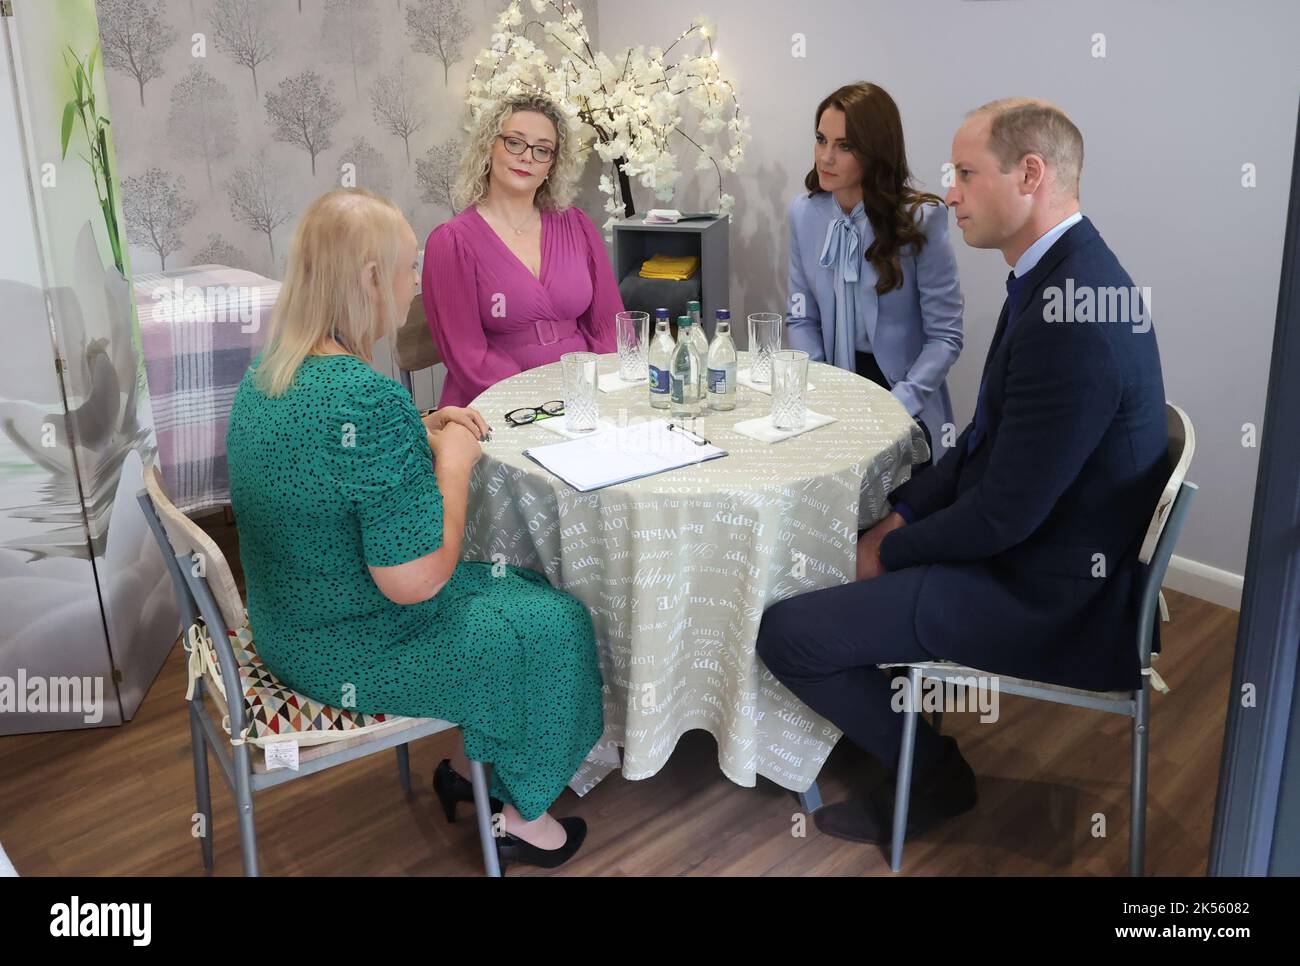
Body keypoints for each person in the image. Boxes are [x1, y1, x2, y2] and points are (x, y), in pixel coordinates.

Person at [758, 98, 1169, 847]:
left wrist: (890, 548)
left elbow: (1003, 516)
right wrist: (904, 515)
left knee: (785, 633)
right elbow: (983, 444)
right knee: (848, 533)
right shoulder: (1063, 275)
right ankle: (887, 718)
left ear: (1031, 174)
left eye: (967, 174)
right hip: (1038, 553)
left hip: (1047, 595)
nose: (949, 193)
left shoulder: (1073, 319)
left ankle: (936, 773)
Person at [227, 188, 603, 870]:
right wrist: (453, 464)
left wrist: (415, 436)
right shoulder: (365, 398)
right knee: (558, 621)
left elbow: (324, 474)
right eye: (408, 271)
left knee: (514, 584)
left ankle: (470, 767)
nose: (415, 288)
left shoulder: (269, 370)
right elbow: (417, 579)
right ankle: (523, 818)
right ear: (370, 277)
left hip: (284, 620)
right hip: (348, 645)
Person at [787, 82, 963, 461]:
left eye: (844, 146)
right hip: (830, 386)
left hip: (901, 394)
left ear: (874, 151)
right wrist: (821, 389)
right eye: (821, 140)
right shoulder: (803, 214)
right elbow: (800, 317)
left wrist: (895, 406)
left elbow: (945, 336)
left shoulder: (921, 219)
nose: (826, 157)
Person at [423, 93, 621, 408]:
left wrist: (604, 383)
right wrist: (540, 397)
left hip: (582, 387)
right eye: (515, 142)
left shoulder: (577, 225)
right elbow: (467, 355)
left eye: (542, 150)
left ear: (552, 165)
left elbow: (608, 324)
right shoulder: (451, 242)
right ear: (489, 146)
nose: (527, 157)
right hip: (499, 398)